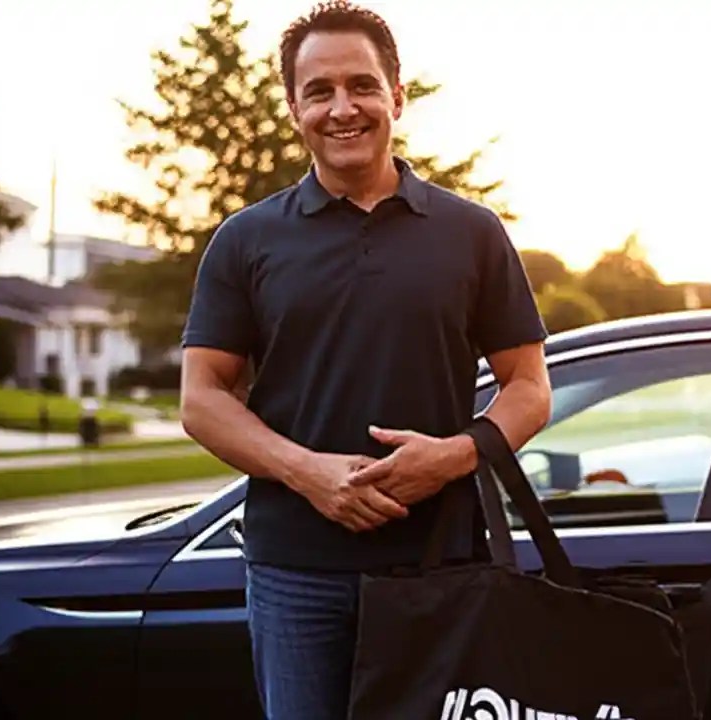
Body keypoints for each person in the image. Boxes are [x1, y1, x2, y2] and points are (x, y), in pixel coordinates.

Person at [177, 1, 552, 717]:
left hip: (440, 566)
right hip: (295, 573)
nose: (341, 108)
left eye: (362, 86)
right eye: (319, 91)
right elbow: (202, 399)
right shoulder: (245, 240)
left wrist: (452, 456)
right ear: (294, 108)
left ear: (397, 97)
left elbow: (529, 386)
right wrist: (307, 473)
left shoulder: (472, 233)